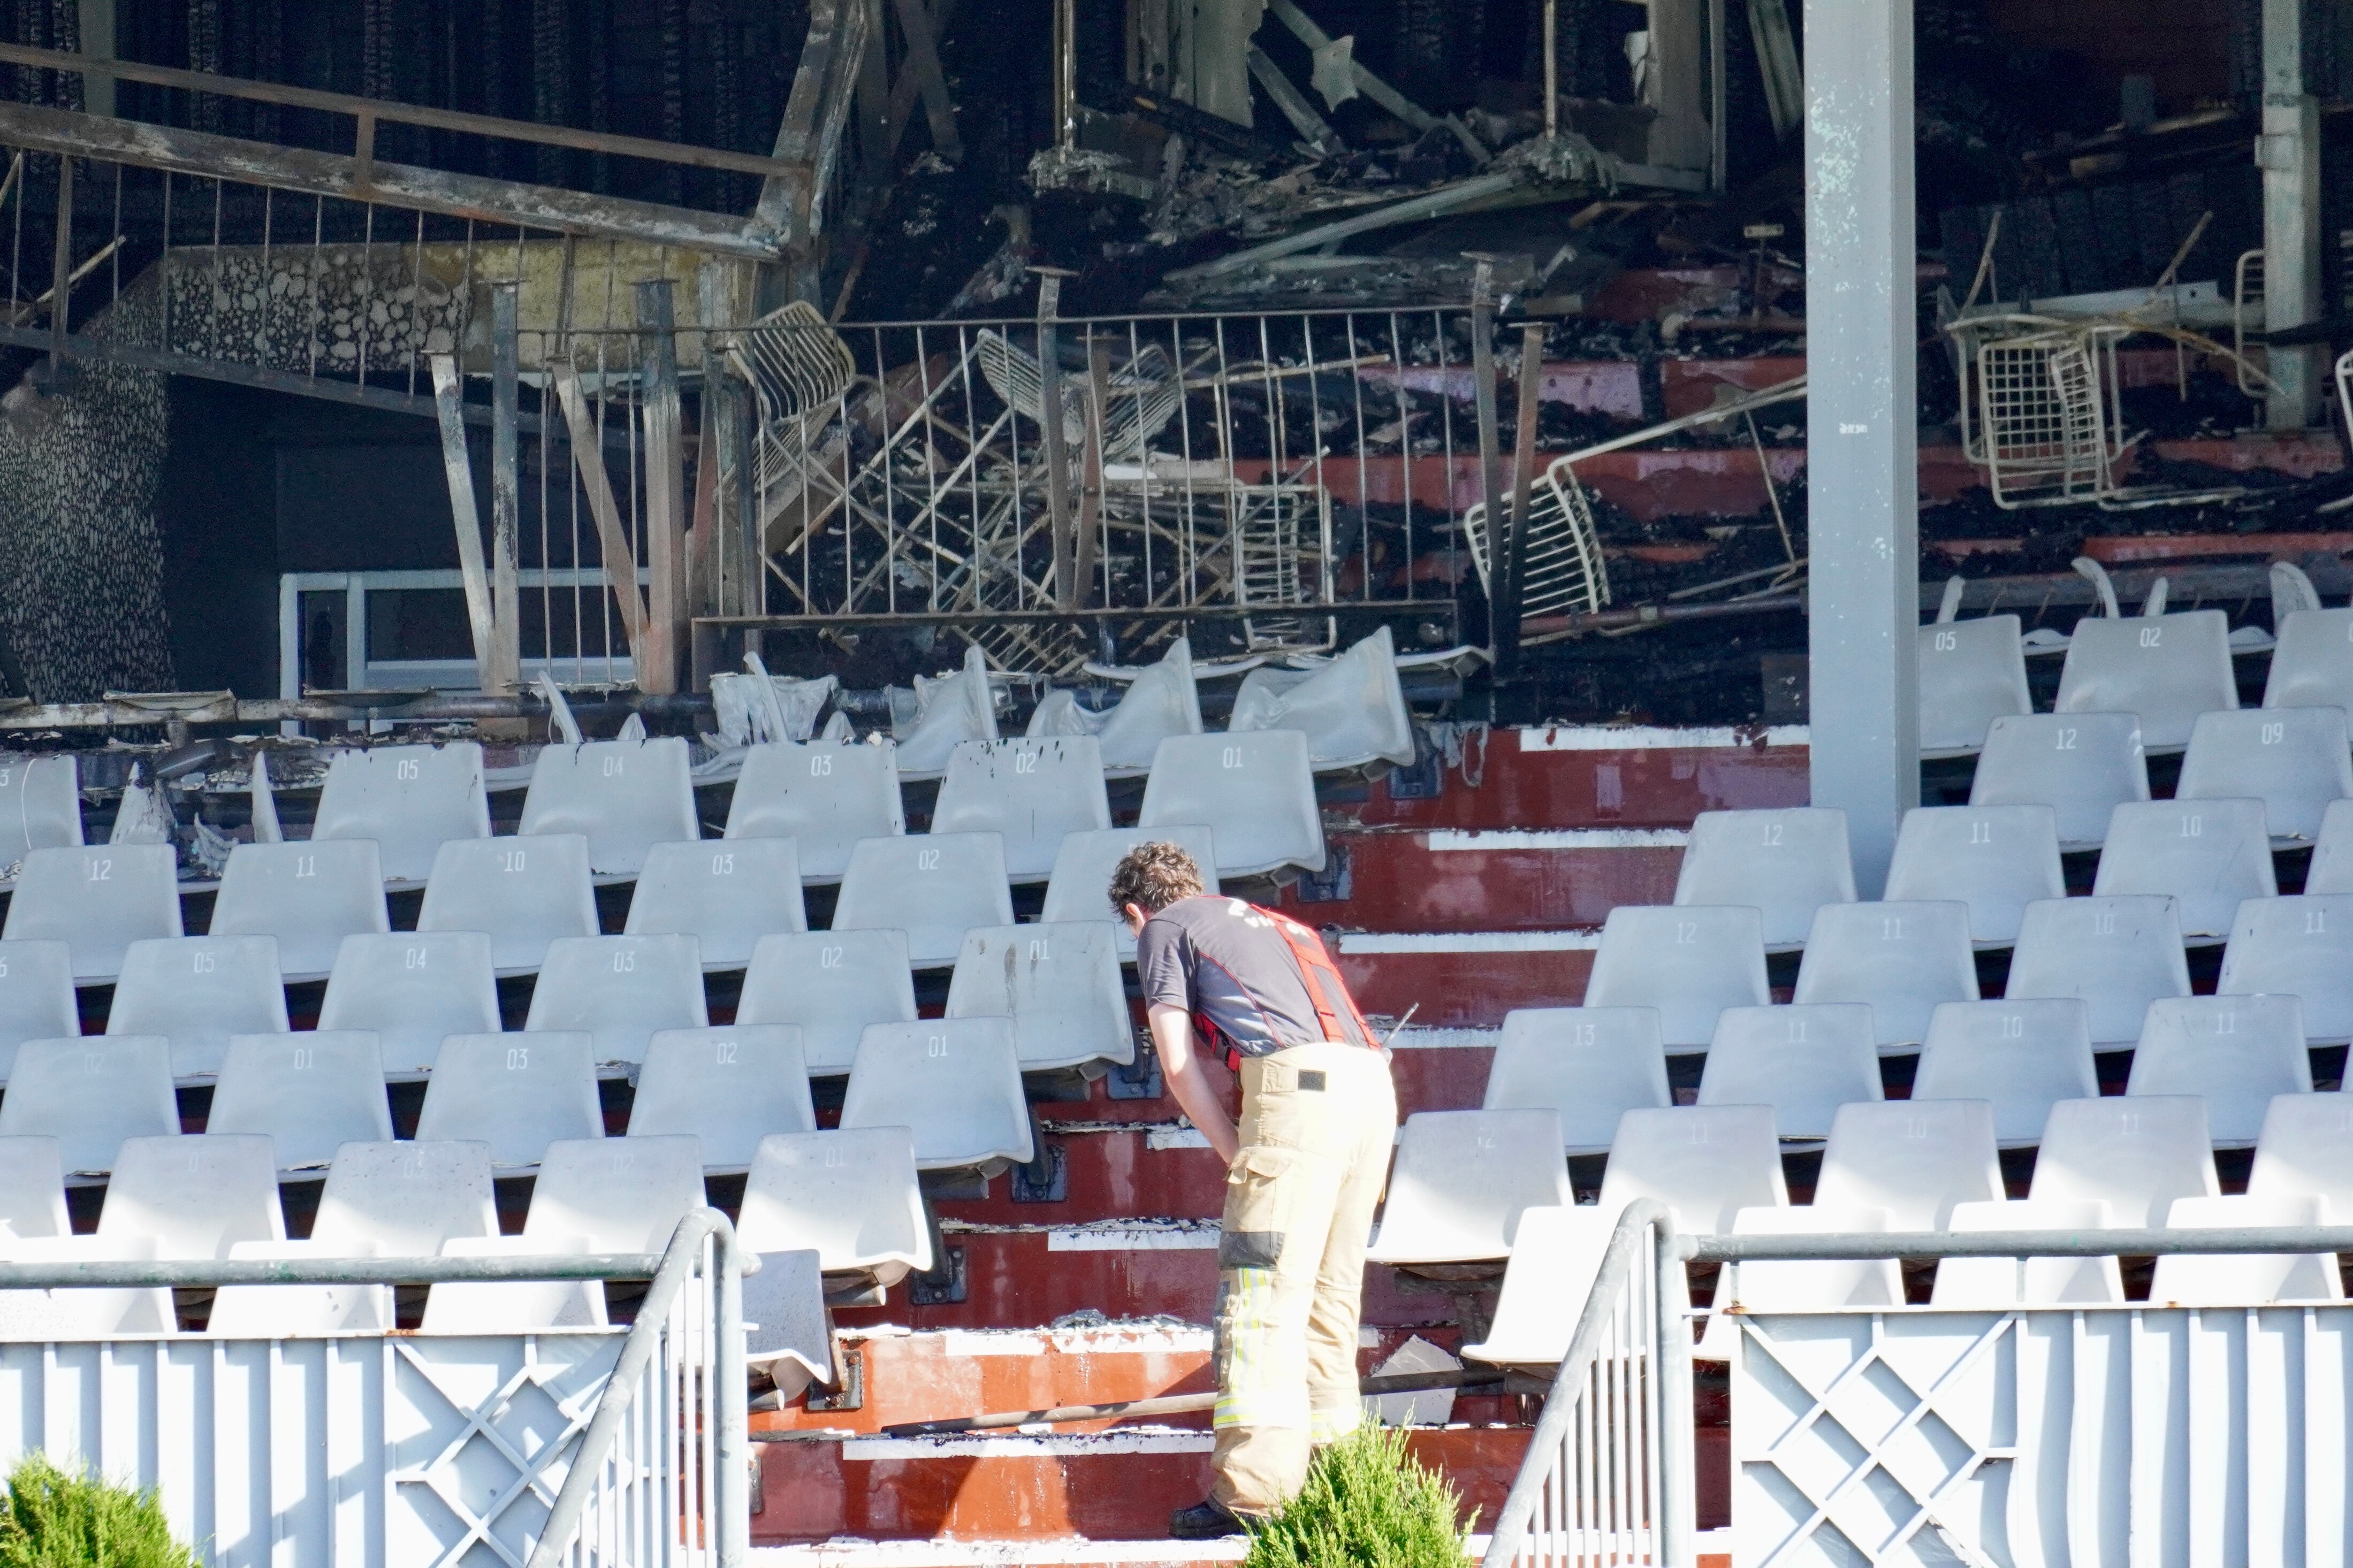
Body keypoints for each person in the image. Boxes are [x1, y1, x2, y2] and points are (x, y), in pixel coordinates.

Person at [1108, 839, 1399, 1539]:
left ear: (1132, 910)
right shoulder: (1281, 923)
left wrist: (1238, 1154)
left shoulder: (1164, 929)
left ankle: (1254, 1496)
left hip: (1297, 1098)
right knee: (1329, 1301)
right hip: (1371, 1092)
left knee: (1259, 1296)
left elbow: (1177, 1066)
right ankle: (1339, 1479)